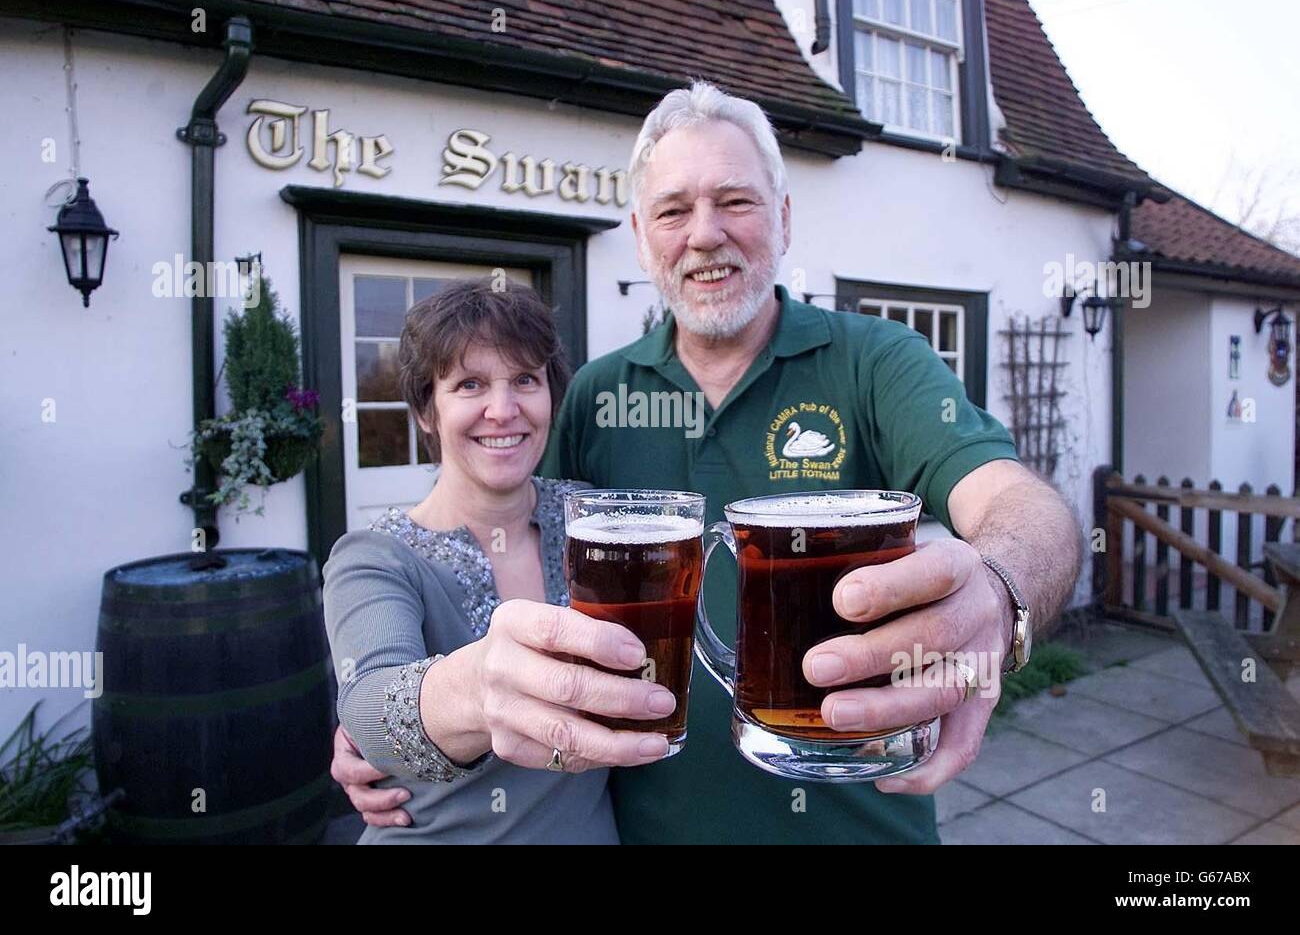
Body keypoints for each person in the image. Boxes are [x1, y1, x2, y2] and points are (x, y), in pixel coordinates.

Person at [334, 82, 1083, 844]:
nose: (704, 235)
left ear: (784, 218)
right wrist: (395, 714)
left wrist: (998, 597)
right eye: (672, 210)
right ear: (639, 234)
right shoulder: (596, 394)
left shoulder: (878, 361)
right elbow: (508, 551)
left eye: (735, 201)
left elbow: (1024, 509)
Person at [321, 279, 679, 844]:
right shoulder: (374, 557)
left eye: (525, 380)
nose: (503, 410)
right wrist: (474, 692)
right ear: (425, 411)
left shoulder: (593, 523)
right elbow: (370, 700)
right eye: (469, 384)